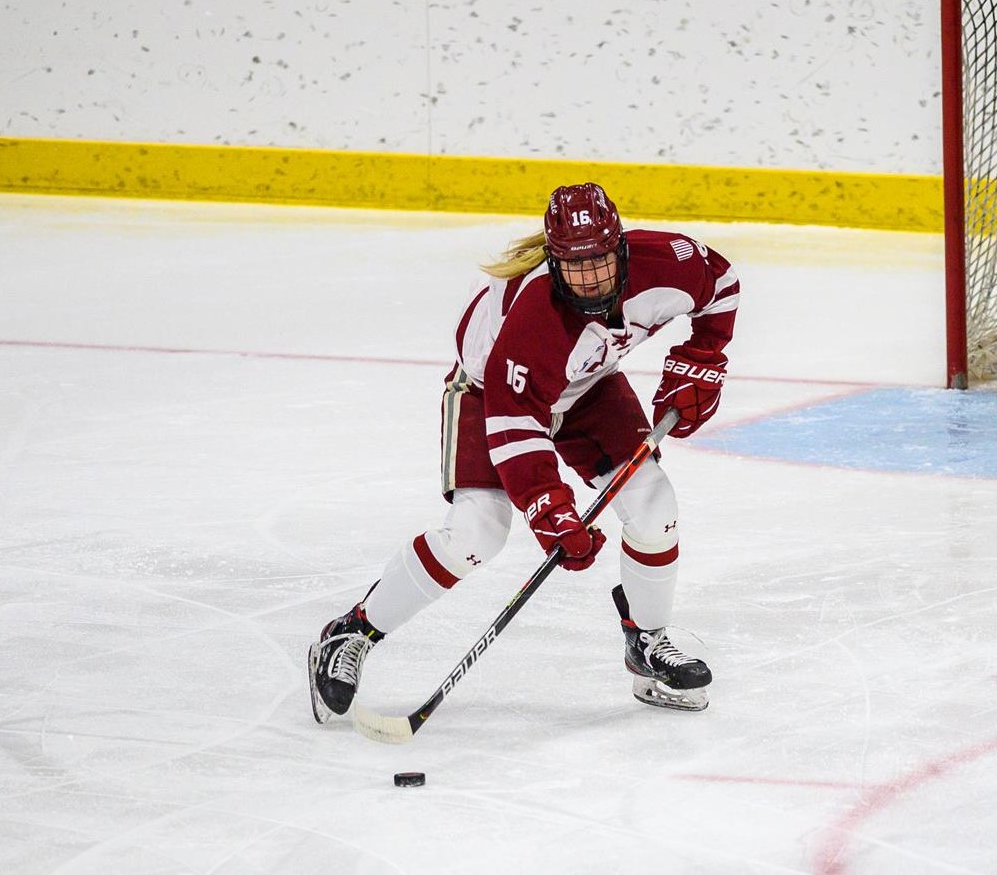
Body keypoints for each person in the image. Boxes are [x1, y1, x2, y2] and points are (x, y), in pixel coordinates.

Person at [307, 182, 739, 721]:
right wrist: (549, 509)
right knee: (477, 533)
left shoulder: (666, 262)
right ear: (555, 264)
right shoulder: (535, 318)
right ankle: (353, 632)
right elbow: (517, 427)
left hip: (587, 387)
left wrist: (702, 358)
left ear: (622, 248)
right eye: (574, 267)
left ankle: (647, 641)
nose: (589, 280)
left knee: (655, 507)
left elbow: (722, 283)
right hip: (492, 396)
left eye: (600, 262)